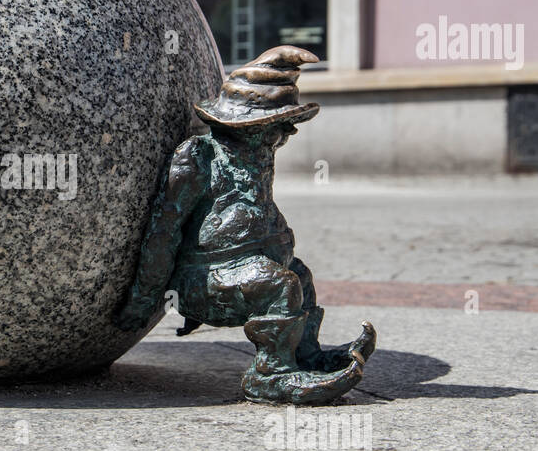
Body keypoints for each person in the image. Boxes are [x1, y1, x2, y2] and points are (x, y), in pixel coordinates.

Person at [115, 45, 375, 405]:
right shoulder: (199, 157)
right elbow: (165, 230)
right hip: (203, 281)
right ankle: (269, 374)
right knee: (282, 285)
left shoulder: (256, 157)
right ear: (247, 123)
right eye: (277, 125)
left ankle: (306, 356)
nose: (286, 135)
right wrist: (144, 300)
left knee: (299, 277)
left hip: (245, 271)